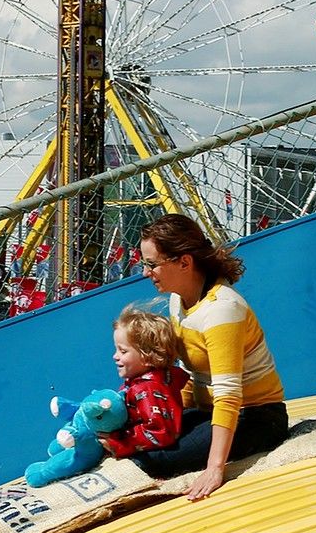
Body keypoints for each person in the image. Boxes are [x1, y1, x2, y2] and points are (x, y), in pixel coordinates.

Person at [133, 213, 288, 501]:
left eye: (152, 264)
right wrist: (175, 417)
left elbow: (229, 395)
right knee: (143, 436)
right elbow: (192, 376)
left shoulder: (221, 310)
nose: (145, 273)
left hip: (257, 417)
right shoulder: (178, 300)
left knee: (155, 459)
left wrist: (215, 468)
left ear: (184, 262)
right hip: (209, 411)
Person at [101, 305, 189, 459]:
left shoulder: (147, 389)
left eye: (123, 351)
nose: (115, 356)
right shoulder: (140, 382)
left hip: (158, 453)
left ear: (147, 355)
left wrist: (119, 443)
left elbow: (160, 432)